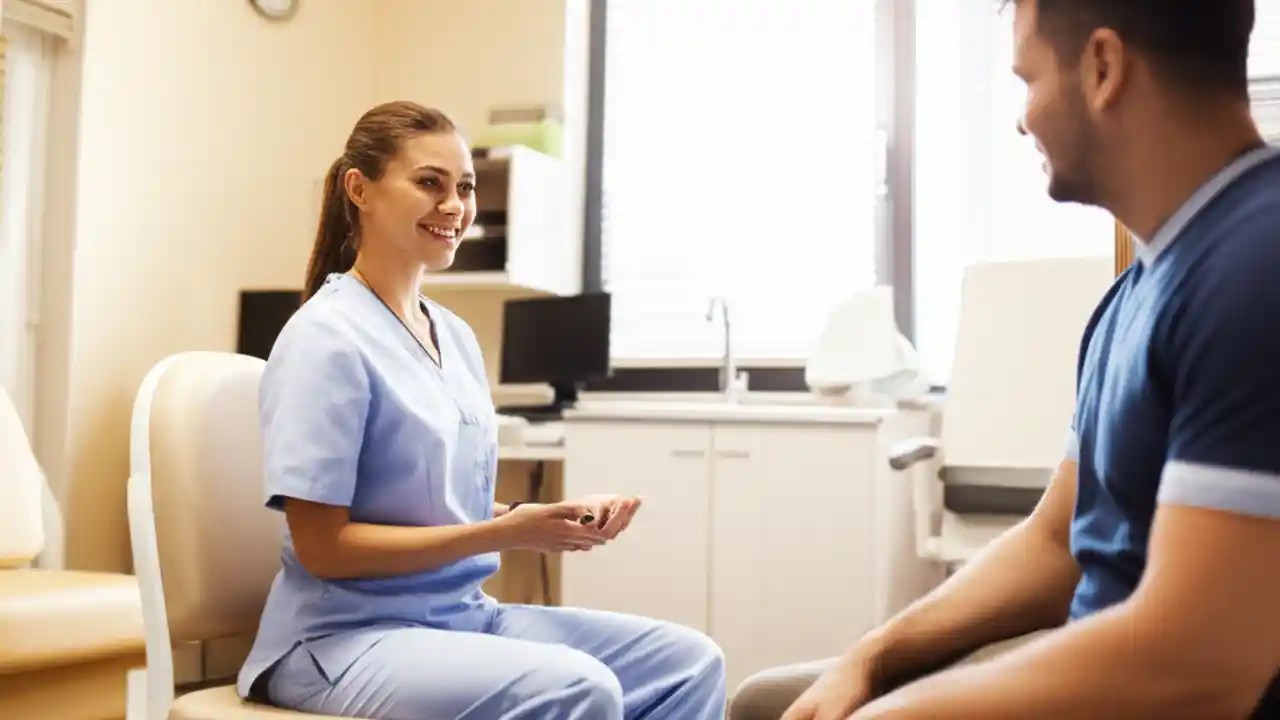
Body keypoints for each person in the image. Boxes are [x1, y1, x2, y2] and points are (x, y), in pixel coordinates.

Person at [731, 0, 1280, 718]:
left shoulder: (1257, 264)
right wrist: (872, 658)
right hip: (1105, 658)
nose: (1022, 119)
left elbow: (1199, 663)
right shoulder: (1132, 299)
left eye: (1027, 80)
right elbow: (1056, 544)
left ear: (1103, 67)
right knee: (764, 703)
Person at [235, 101, 726, 719]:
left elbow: (428, 501)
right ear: (358, 189)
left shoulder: (456, 337)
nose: (455, 206)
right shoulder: (325, 338)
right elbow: (324, 547)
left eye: (464, 188)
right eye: (429, 183)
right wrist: (505, 532)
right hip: (341, 641)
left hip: (458, 618)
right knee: (579, 687)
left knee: (690, 662)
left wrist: (535, 516)